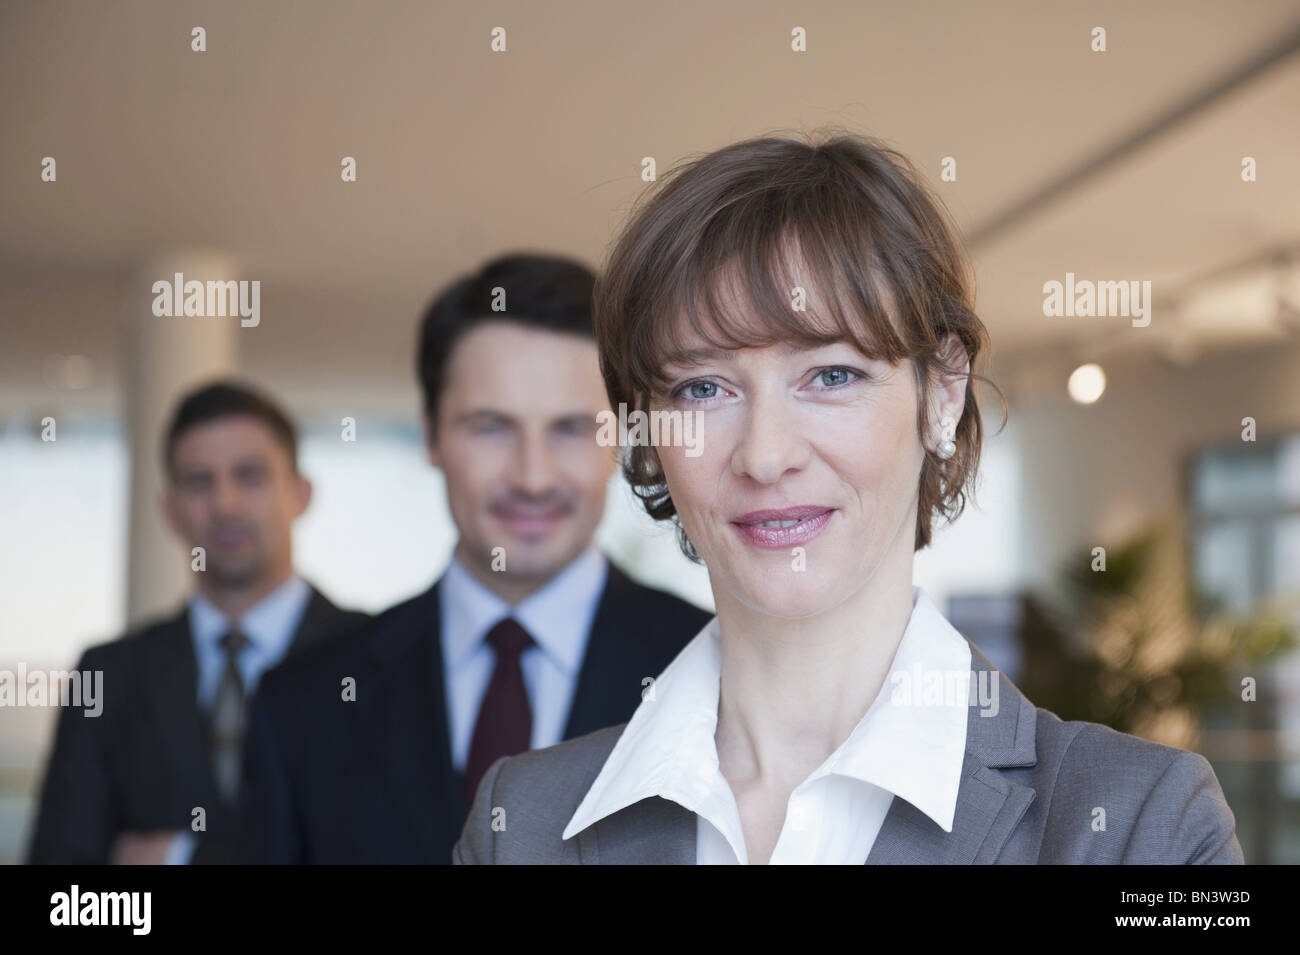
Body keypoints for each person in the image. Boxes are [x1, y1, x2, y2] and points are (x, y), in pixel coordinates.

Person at [453, 132, 1245, 864]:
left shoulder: (1140, 825)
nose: (766, 454)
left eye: (831, 375)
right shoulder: (521, 823)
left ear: (942, 391)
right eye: (703, 387)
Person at [241, 253, 711, 863]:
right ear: (432, 435)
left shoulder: (708, 674)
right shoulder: (303, 705)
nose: (533, 477)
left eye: (570, 428)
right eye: (492, 427)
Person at [28, 381, 367, 864]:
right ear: (170, 510)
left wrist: (182, 856)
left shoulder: (379, 657)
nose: (225, 504)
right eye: (199, 482)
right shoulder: (109, 675)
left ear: (301, 493)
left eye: (250, 476)